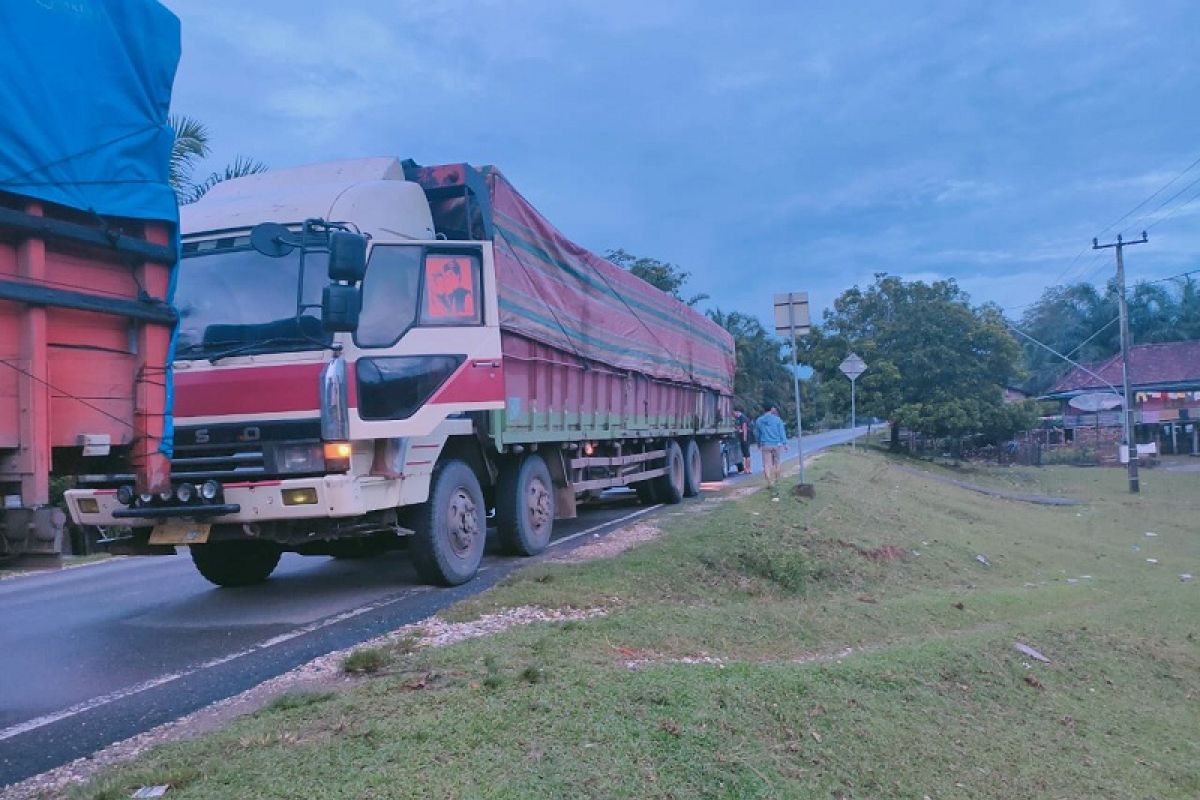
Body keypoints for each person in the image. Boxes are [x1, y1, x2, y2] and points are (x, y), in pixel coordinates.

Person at [754, 402, 788, 490]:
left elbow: (757, 434)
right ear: (771, 409)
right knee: (777, 463)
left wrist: (758, 444)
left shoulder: (759, 420)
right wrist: (785, 443)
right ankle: (777, 480)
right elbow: (782, 432)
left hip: (765, 444)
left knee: (766, 465)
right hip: (776, 444)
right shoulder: (777, 420)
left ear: (763, 409)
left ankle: (769, 482)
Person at [733, 408, 752, 474]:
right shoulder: (740, 418)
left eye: (734, 412)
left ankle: (748, 469)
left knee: (746, 454)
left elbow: (745, 428)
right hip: (744, 438)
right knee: (745, 454)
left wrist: (744, 439)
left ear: (737, 411)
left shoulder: (743, 418)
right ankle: (746, 469)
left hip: (745, 438)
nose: (733, 414)